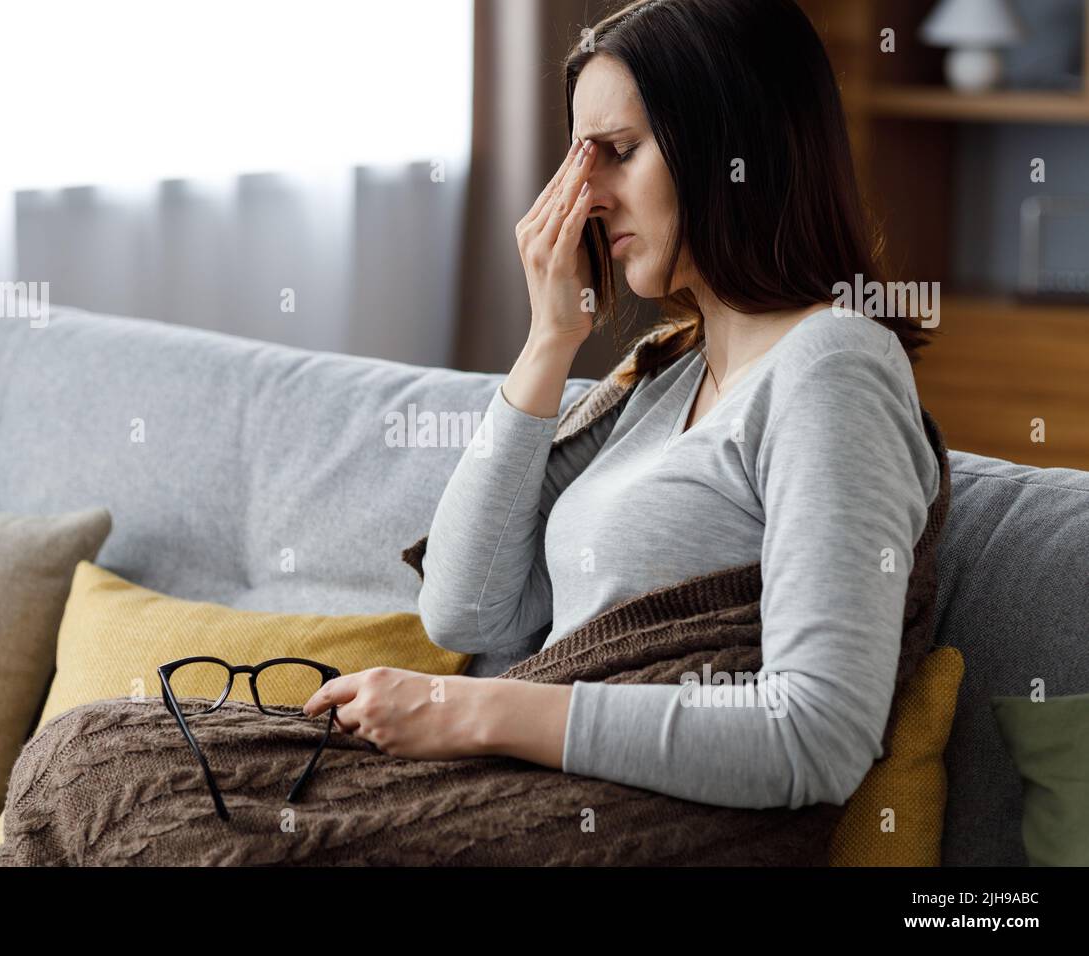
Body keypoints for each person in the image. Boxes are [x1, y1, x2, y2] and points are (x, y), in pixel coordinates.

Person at [303, 0, 940, 810]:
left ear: (733, 145)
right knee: (108, 755)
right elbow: (463, 612)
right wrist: (548, 341)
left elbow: (814, 737)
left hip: (615, 823)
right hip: (531, 805)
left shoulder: (833, 367)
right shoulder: (662, 379)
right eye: (578, 158)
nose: (587, 196)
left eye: (619, 152)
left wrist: (468, 710)